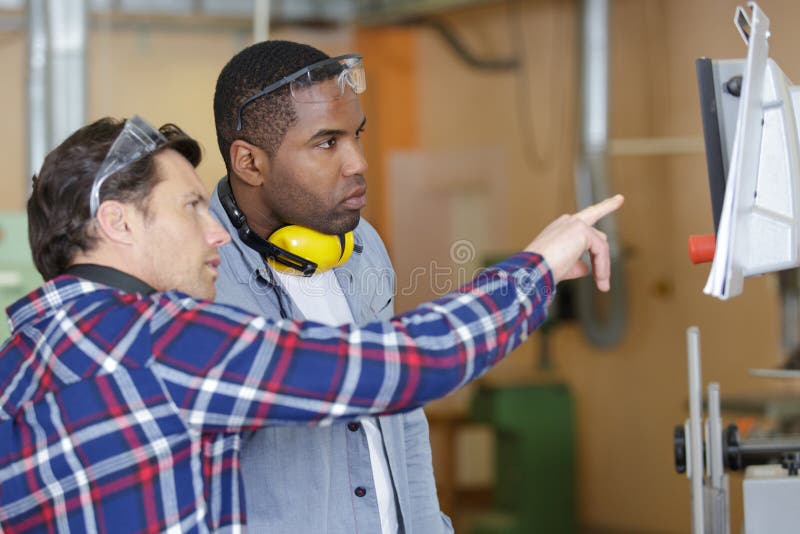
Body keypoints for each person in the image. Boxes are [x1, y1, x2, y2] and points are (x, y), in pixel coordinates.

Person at [0, 114, 622, 533]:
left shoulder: (17, 367)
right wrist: (535, 269)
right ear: (117, 223)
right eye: (190, 206)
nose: (216, 232)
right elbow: (408, 363)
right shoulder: (164, 342)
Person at [208, 40, 446, 533]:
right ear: (249, 163)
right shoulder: (198, 276)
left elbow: (403, 415)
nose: (358, 162)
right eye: (326, 143)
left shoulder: (363, 245)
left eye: (356, 135)